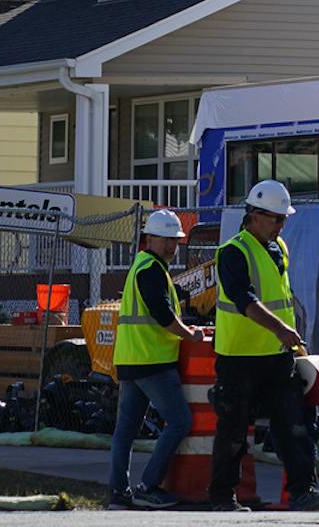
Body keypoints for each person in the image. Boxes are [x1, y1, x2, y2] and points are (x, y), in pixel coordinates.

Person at [207, 180, 319, 512]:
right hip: (239, 359)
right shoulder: (232, 252)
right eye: (276, 218)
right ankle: (223, 498)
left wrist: (290, 341)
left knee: (296, 425)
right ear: (254, 215)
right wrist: (281, 329)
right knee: (234, 434)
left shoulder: (278, 247)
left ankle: (304, 492)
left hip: (278, 358)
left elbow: (280, 299)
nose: (281, 225)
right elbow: (244, 299)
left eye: (283, 219)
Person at [108, 209, 206, 510]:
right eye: (167, 241)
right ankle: (148, 486)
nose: (172, 247)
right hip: (152, 361)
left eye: (175, 241)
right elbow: (163, 315)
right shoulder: (151, 269)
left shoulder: (143, 266)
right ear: (150, 239)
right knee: (179, 421)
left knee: (125, 430)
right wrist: (189, 334)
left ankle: (118, 494)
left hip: (132, 359)